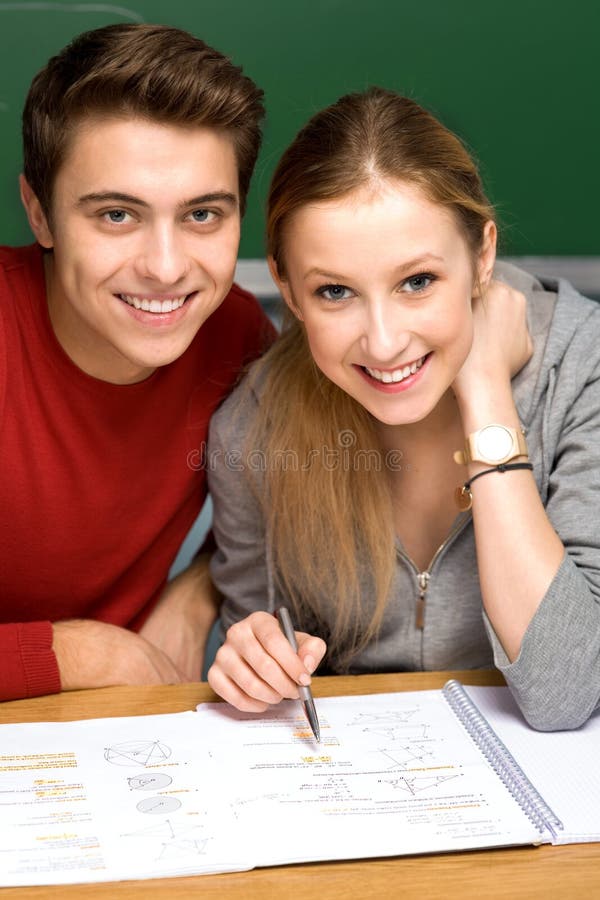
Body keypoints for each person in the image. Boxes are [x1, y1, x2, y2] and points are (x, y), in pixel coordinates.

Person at [206, 87, 600, 731]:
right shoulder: (254, 426)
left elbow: (566, 692)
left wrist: (486, 393)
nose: (384, 342)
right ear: (288, 290)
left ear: (483, 257)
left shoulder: (584, 370)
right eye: (335, 292)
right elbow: (263, 649)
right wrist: (255, 662)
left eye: (418, 282)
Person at [0, 23, 275, 701]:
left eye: (202, 215)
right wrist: (75, 655)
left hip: (114, 733)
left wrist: (197, 594)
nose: (167, 268)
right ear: (40, 214)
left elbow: (283, 506)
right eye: (118, 215)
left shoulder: (236, 336)